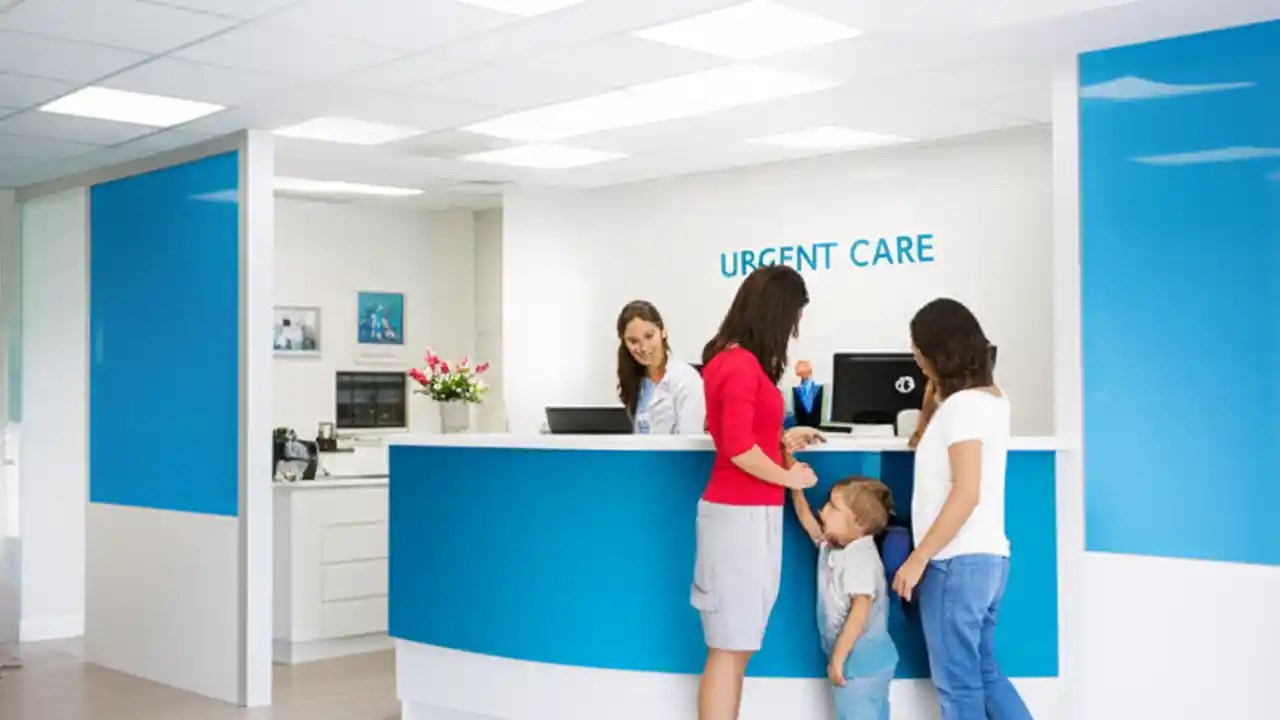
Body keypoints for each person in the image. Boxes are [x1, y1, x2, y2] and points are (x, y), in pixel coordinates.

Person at [692, 265, 824, 720]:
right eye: (793, 318)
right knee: (729, 647)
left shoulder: (739, 363)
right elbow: (736, 448)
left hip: (750, 515)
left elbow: (748, 438)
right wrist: (792, 478)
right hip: (737, 518)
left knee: (739, 645)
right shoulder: (738, 364)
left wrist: (784, 440)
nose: (794, 330)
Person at [891, 298, 1032, 720]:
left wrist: (918, 559)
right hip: (989, 561)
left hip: (955, 564)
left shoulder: (963, 407)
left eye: (918, 351)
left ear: (936, 352)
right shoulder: (991, 398)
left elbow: (965, 492)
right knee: (983, 673)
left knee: (959, 688)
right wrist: (934, 396)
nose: (915, 361)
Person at [792, 477, 900, 720]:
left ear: (858, 524)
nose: (823, 510)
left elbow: (860, 610)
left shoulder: (860, 557)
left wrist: (838, 658)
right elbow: (808, 521)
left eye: (834, 507)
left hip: (861, 665)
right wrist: (795, 487)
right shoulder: (835, 544)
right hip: (859, 665)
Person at [616, 300, 705, 434]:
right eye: (633, 341)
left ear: (663, 332)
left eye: (649, 336)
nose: (643, 348)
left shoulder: (686, 380)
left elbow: (691, 441)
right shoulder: (636, 381)